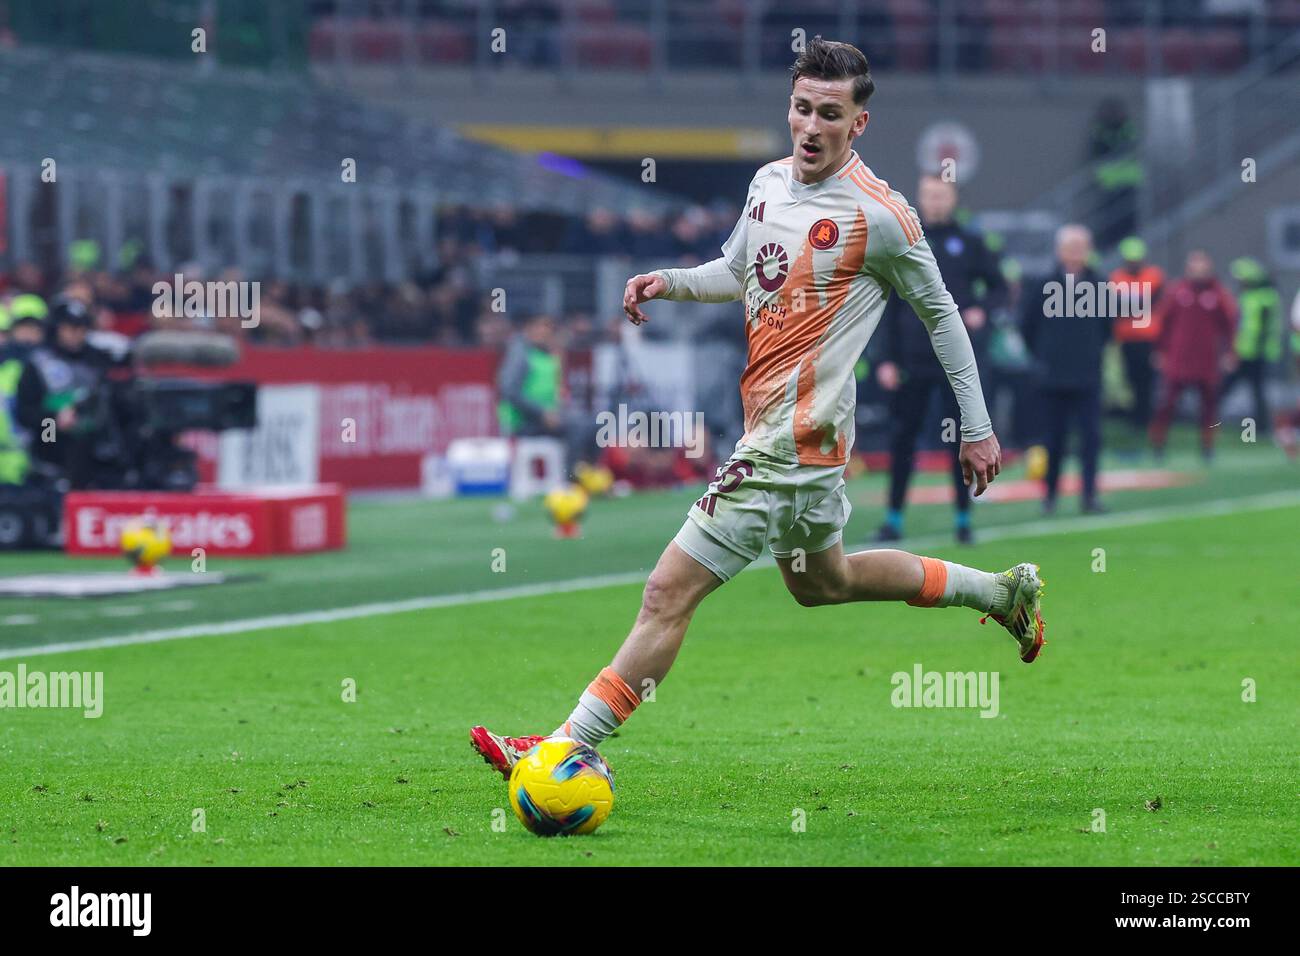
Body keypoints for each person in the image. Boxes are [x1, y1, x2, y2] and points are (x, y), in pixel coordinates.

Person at [470, 38, 1046, 778]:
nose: (810, 126)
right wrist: (669, 281)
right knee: (822, 583)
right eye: (802, 108)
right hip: (780, 434)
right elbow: (738, 272)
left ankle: (565, 746)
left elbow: (943, 316)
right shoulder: (768, 182)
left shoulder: (883, 217)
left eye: (829, 114)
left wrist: (977, 426)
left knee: (666, 591)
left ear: (858, 124)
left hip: (792, 443)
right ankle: (998, 592)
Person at [874, 174, 1004, 544]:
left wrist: (981, 311)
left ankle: (964, 519)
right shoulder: (904, 239)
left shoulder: (970, 242)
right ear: (919, 197)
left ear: (953, 198)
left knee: (959, 441)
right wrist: (885, 359)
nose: (934, 202)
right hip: (911, 361)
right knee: (902, 440)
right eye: (928, 195)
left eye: (941, 195)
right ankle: (893, 519)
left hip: (954, 364)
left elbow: (999, 288)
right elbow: (887, 302)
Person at [1020, 224, 1112, 515]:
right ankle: (1050, 496)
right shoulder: (1042, 284)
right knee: (1054, 440)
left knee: (1090, 439)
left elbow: (1107, 328)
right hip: (1052, 377)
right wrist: (1044, 356)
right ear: (1059, 251)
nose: (1075, 254)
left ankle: (1089, 496)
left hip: (1087, 375)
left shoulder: (1099, 284)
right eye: (1070, 247)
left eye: (1080, 247)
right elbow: (1027, 325)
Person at [1149, 250, 1238, 461]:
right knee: (1166, 403)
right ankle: (1158, 444)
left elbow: (1230, 325)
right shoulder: (1177, 291)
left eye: (1202, 267)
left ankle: (1208, 446)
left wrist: (1230, 352)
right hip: (1178, 359)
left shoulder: (1218, 294)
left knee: (1209, 405)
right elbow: (1162, 322)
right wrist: (1159, 351)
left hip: (1206, 360)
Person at [15, 299, 111, 488]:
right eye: (69, 328)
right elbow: (25, 413)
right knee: (49, 436)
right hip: (51, 447)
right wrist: (54, 419)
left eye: (81, 328)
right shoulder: (38, 363)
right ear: (56, 329)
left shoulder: (98, 361)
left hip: (93, 452)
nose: (76, 334)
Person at [1109, 237, 1165, 445]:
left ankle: (1146, 421)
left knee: (1147, 382)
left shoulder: (1154, 277)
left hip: (1149, 339)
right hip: (1126, 338)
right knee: (1129, 380)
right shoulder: (1116, 279)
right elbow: (1115, 308)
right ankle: (1135, 421)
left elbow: (1155, 304)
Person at [1220, 257, 1281, 436]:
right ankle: (1212, 422)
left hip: (1254, 354)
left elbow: (1263, 330)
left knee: (1254, 391)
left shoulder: (1265, 298)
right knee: (1229, 388)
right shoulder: (1249, 297)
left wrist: (1251, 352)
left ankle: (1260, 429)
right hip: (1244, 351)